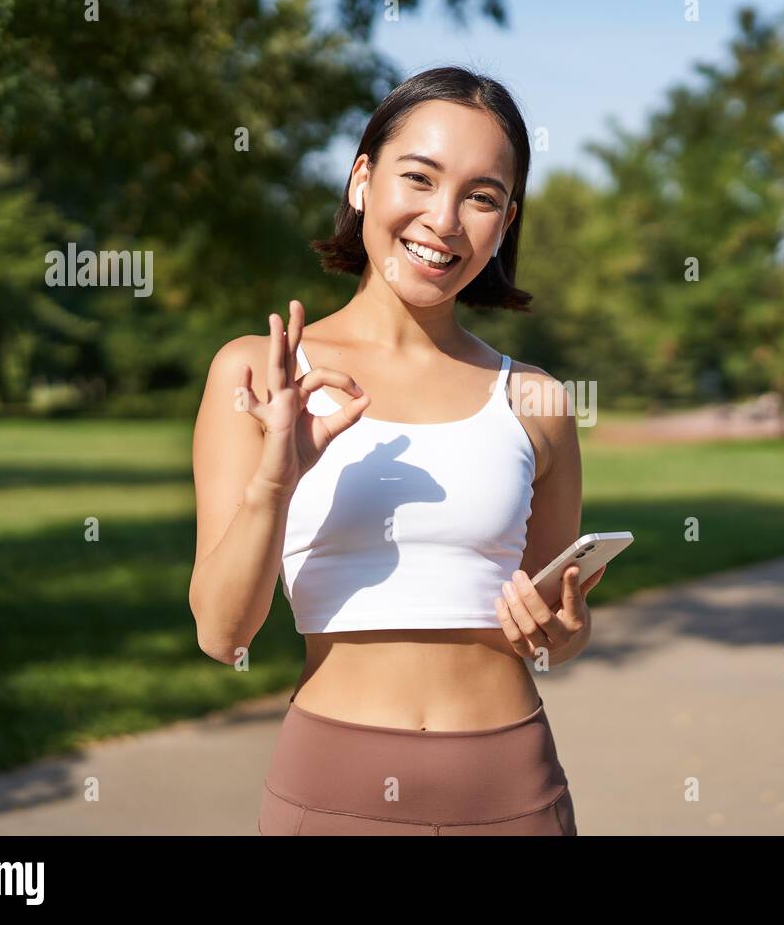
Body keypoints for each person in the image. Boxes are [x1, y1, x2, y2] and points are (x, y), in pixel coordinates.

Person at [189, 66, 605, 835]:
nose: (444, 220)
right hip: (332, 791)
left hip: (511, 789)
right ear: (361, 181)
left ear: (506, 221)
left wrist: (565, 636)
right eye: (419, 178)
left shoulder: (538, 400)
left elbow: (549, 619)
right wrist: (276, 476)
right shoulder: (258, 372)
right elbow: (223, 634)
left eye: (481, 197)